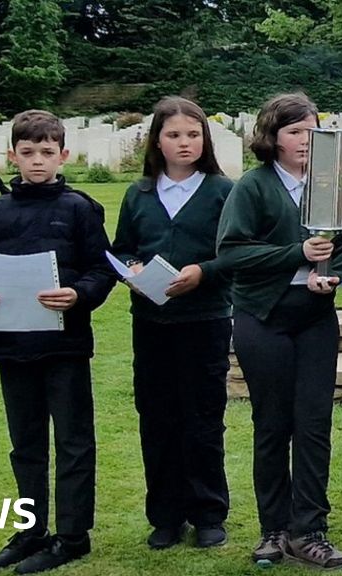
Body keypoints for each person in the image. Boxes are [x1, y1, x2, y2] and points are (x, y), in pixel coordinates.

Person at [0, 110, 115, 574]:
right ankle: (31, 531)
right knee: (24, 443)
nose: (38, 161)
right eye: (28, 153)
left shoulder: (79, 208)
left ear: (63, 155)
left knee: (72, 441)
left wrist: (78, 294)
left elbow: (102, 269)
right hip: (12, 343)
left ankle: (72, 535)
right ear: (13, 156)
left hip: (65, 343)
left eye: (47, 152)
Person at [216, 93, 342, 570]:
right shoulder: (252, 188)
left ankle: (309, 529)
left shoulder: (329, 183)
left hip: (315, 318)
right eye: (295, 131)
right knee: (273, 423)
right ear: (273, 137)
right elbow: (232, 253)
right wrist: (297, 255)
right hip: (262, 317)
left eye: (311, 130)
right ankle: (274, 528)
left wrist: (330, 273)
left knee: (314, 425)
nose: (304, 139)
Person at [111, 96, 234, 550]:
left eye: (193, 134)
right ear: (157, 142)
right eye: (174, 135)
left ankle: (207, 511)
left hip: (205, 319)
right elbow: (123, 248)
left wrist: (203, 272)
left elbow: (237, 253)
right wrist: (132, 270)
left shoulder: (224, 191)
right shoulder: (139, 194)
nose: (185, 143)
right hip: (152, 321)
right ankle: (165, 513)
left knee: (202, 416)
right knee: (157, 417)